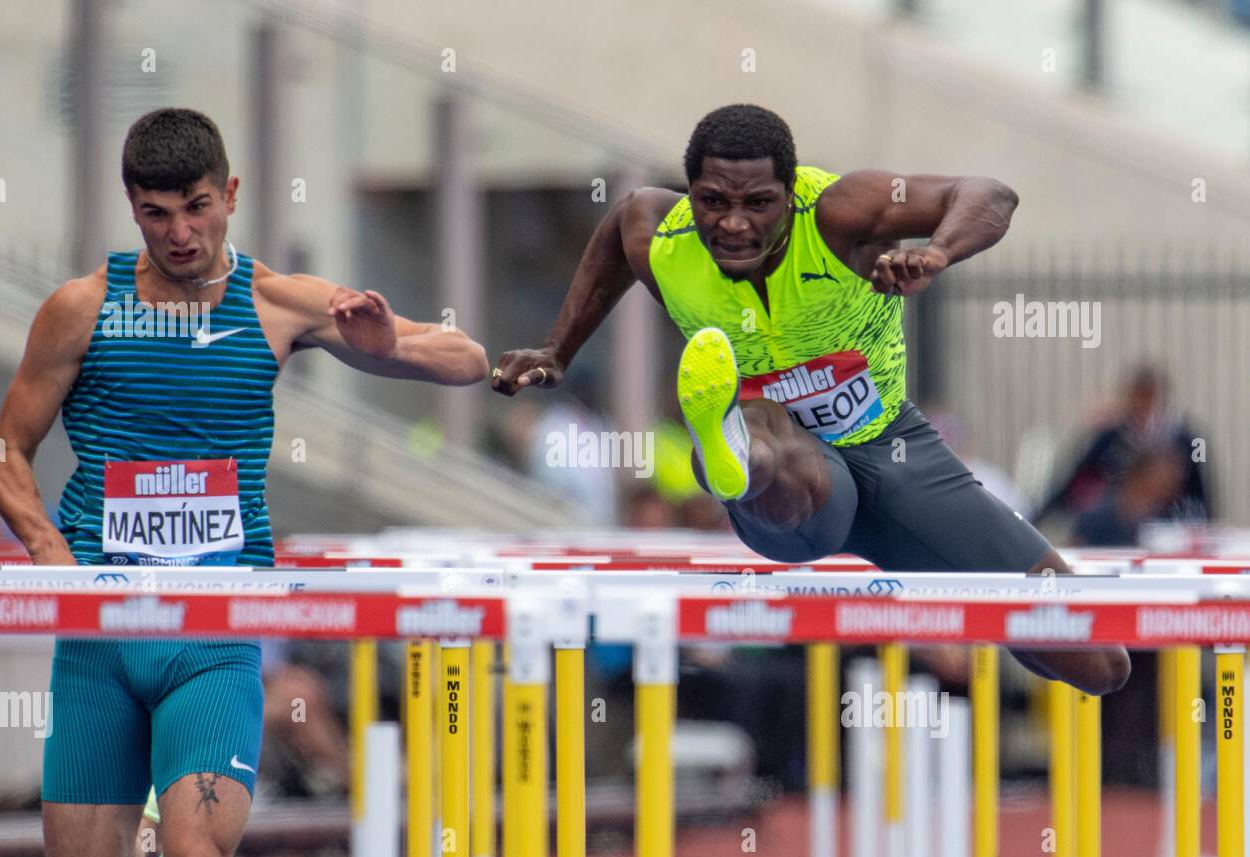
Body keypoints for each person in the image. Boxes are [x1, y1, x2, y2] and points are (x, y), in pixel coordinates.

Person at [0, 108, 488, 857]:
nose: (181, 232)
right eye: (157, 212)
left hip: (213, 635)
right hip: (96, 637)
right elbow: (8, 449)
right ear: (132, 206)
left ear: (232, 194)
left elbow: (468, 361)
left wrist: (389, 345)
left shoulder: (278, 302)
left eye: (197, 205)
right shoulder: (80, 309)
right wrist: (49, 549)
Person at [493, 103, 1128, 695]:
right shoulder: (659, 231)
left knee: (1098, 660)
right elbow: (614, 236)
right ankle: (734, 455)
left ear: (791, 194)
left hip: (894, 454)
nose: (733, 223)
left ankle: (741, 451)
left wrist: (939, 251)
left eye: (759, 204)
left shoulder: (842, 213)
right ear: (690, 193)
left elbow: (991, 195)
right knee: (764, 422)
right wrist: (557, 351)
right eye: (712, 202)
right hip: (794, 495)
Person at [1034, 364, 1208, 528]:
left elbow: (1200, 494)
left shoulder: (1186, 441)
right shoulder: (1109, 439)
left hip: (1170, 528)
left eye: (1149, 397)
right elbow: (1075, 481)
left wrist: (1204, 525)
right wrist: (1036, 519)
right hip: (1117, 527)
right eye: (1138, 397)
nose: (1143, 405)